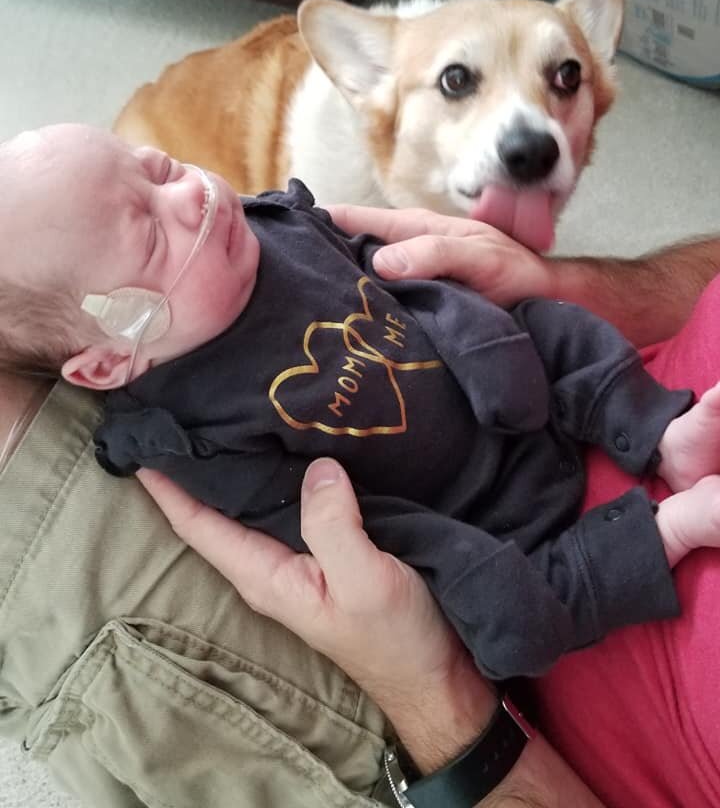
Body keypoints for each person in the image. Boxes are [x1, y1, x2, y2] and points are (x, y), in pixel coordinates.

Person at [1, 162, 719, 808]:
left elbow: (379, 270)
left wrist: (477, 325)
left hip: (496, 374)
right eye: (153, 236)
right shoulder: (189, 432)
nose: (192, 193)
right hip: (477, 521)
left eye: (160, 168)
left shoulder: (267, 226)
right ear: (107, 365)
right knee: (512, 619)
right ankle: (664, 533)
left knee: (554, 332)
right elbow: (309, 516)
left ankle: (659, 432)